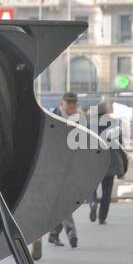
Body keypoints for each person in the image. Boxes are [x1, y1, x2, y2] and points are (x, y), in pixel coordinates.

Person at [49, 92, 82, 248]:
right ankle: (71, 232)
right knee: (63, 200)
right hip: (53, 167)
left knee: (61, 201)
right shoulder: (52, 117)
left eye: (74, 105)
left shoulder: (78, 120)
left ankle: (54, 233)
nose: (72, 107)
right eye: (70, 105)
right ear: (62, 104)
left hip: (70, 165)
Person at [88, 101, 126, 225]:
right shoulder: (114, 124)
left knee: (91, 187)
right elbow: (120, 148)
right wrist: (123, 167)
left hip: (93, 162)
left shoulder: (88, 124)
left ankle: (93, 202)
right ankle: (102, 217)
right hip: (110, 162)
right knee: (107, 191)